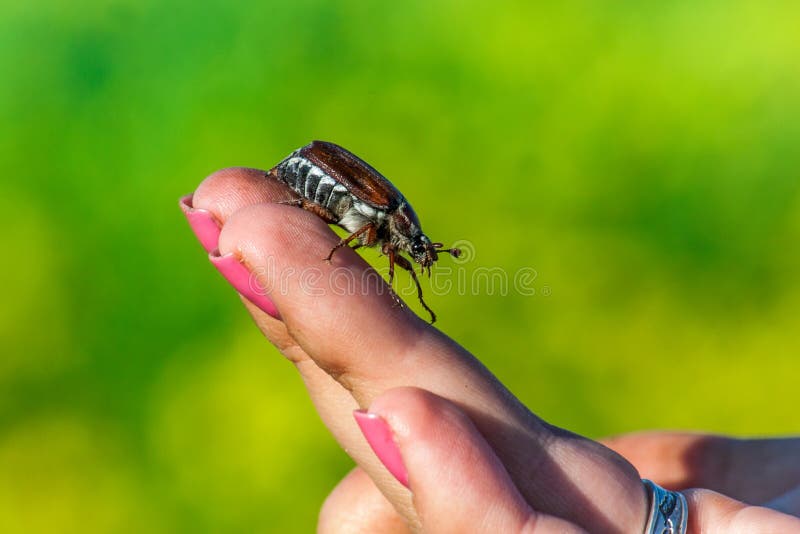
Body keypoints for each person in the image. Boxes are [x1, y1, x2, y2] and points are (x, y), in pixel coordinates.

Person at [180, 167, 800, 533]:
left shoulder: (394, 234)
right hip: (317, 174)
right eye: (415, 251)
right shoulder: (383, 219)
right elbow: (357, 216)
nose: (413, 258)